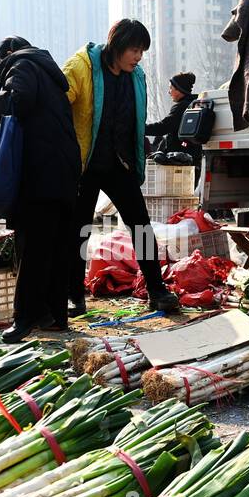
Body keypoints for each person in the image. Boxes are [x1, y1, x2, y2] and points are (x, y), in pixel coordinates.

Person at [63, 19, 180, 316]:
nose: (139, 56)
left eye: (142, 51)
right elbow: (60, 102)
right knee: (79, 231)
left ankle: (157, 290)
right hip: (86, 164)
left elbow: (135, 121)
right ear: (117, 45)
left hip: (120, 164)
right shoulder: (82, 67)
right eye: (135, 49)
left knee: (141, 225)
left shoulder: (135, 76)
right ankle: (74, 294)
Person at [0, 36, 82, 342]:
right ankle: (53, 316)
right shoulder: (51, 76)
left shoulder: (23, 63)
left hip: (40, 174)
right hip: (63, 172)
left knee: (33, 249)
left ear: (8, 55)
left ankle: (24, 317)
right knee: (55, 248)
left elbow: (20, 100)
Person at [144, 71, 196, 156]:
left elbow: (163, 127)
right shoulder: (193, 104)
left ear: (179, 89)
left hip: (179, 157)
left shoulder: (181, 107)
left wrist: (141, 129)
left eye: (171, 88)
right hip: (191, 154)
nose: (169, 92)